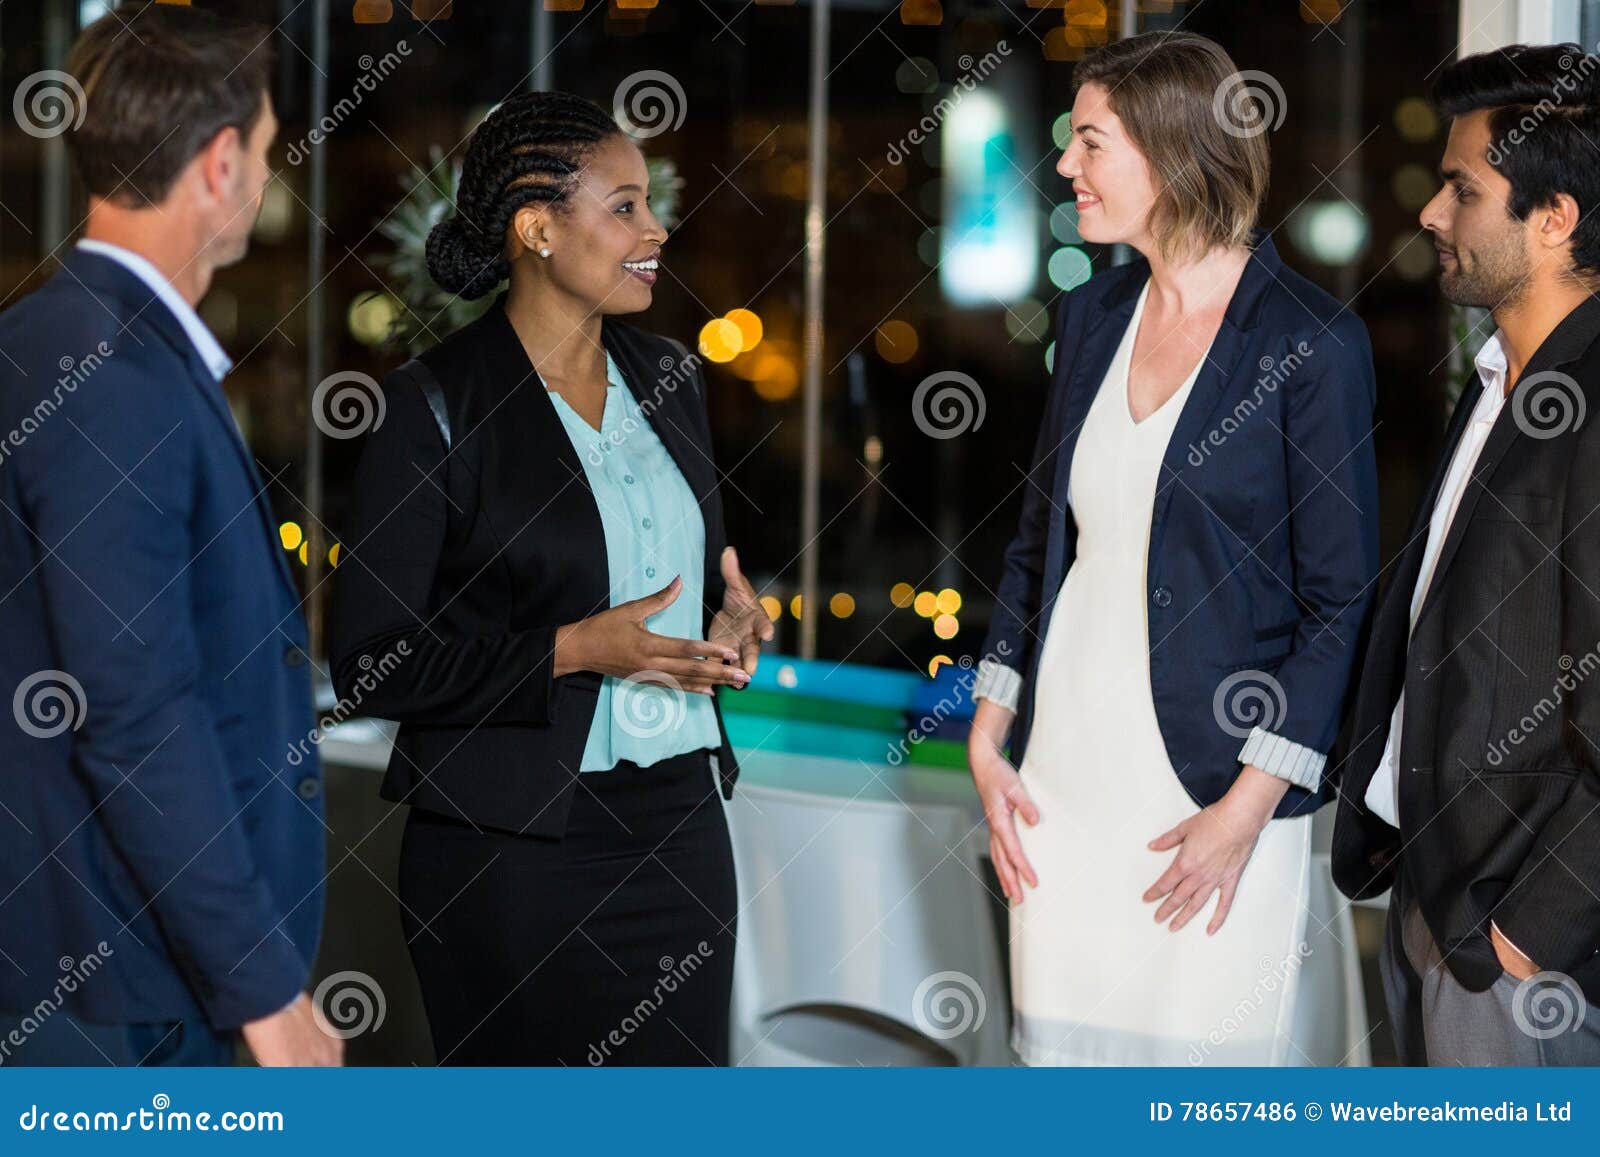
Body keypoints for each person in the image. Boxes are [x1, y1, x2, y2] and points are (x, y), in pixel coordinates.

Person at [328, 91, 772, 1066]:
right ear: (537, 229)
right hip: (508, 851)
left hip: (681, 827)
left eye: (648, 204)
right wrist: (570, 650)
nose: (655, 228)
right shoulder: (431, 405)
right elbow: (369, 664)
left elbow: (660, 593)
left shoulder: (671, 378)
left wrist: (728, 623)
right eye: (624, 206)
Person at [968, 32, 1379, 1066]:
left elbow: (1341, 601)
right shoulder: (1092, 314)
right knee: (1058, 1072)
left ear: (1171, 152)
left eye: (1090, 142)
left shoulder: (1312, 343)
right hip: (1061, 779)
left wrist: (1247, 808)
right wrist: (988, 726)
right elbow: (1037, 539)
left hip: (1215, 789)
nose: (1064, 165)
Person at [0, 3, 336, 1066]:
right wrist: (267, 988)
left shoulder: (47, 335)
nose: (271, 177)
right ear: (220, 163)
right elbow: (135, 712)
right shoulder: (116, 378)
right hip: (124, 989)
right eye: (272, 150)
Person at [1332, 44, 1600, 1066]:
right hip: (1431, 899)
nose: (1430, 213)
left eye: (1461, 188)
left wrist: (1523, 934)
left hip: (1516, 957)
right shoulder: (1494, 379)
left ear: (1554, 216)